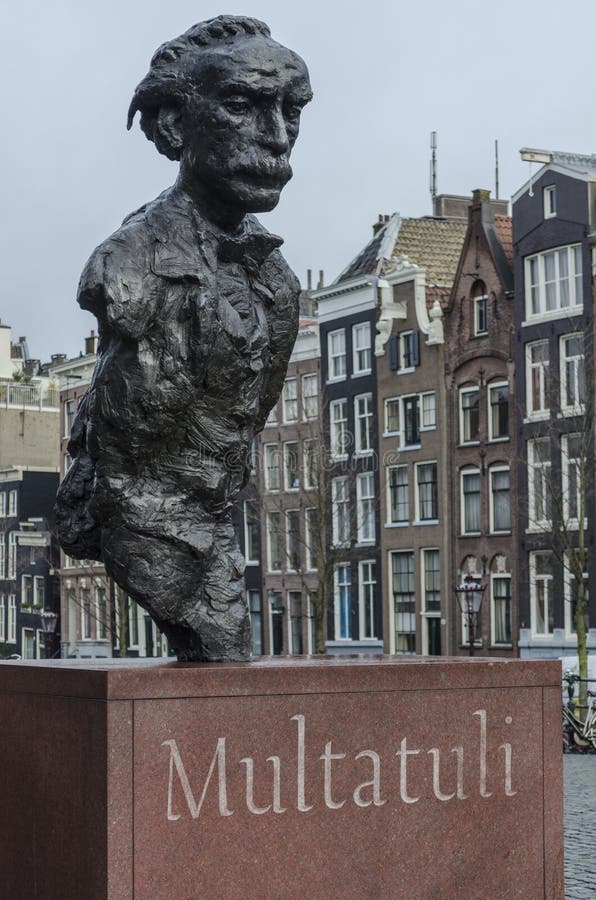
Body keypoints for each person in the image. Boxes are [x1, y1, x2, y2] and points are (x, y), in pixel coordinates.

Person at [55, 16, 312, 661]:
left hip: (213, 534)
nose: (277, 139)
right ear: (173, 125)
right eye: (241, 107)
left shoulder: (278, 285)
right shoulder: (128, 267)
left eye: (290, 111)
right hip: (144, 524)